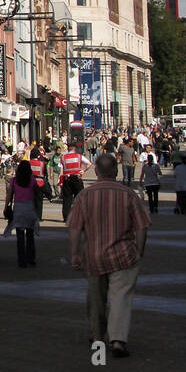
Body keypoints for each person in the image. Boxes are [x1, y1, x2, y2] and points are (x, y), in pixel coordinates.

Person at [67, 153, 151, 358]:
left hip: (94, 255)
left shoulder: (85, 196)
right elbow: (142, 227)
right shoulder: (129, 194)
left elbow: (75, 228)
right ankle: (118, 341)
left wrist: (75, 253)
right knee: (120, 297)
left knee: (96, 298)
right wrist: (139, 250)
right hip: (124, 255)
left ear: (96, 172)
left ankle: (97, 337)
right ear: (116, 170)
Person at [5, 159, 40, 267]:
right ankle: (31, 258)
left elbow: (9, 195)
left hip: (18, 209)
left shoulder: (14, 181)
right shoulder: (32, 180)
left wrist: (6, 206)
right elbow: (37, 192)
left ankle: (22, 260)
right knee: (30, 235)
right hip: (29, 208)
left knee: (20, 236)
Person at [60, 141, 90, 222]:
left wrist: (60, 181)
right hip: (77, 179)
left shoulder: (63, 157)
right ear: (74, 148)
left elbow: (61, 169)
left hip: (67, 179)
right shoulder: (79, 156)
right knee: (80, 198)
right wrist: (83, 170)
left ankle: (66, 218)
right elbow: (89, 163)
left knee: (67, 199)